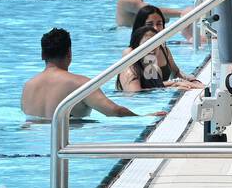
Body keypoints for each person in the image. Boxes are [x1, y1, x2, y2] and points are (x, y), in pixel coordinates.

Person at [20, 28, 158, 121]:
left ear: (42, 55)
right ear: (69, 53)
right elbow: (113, 111)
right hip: (68, 145)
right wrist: (143, 116)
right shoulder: (80, 84)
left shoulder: (28, 87)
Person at [116, 17, 202, 93]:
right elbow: (135, 95)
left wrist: (176, 83)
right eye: (147, 44)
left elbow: (154, 87)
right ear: (136, 46)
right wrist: (172, 88)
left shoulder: (150, 65)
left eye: (155, 43)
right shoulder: (130, 71)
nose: (152, 47)